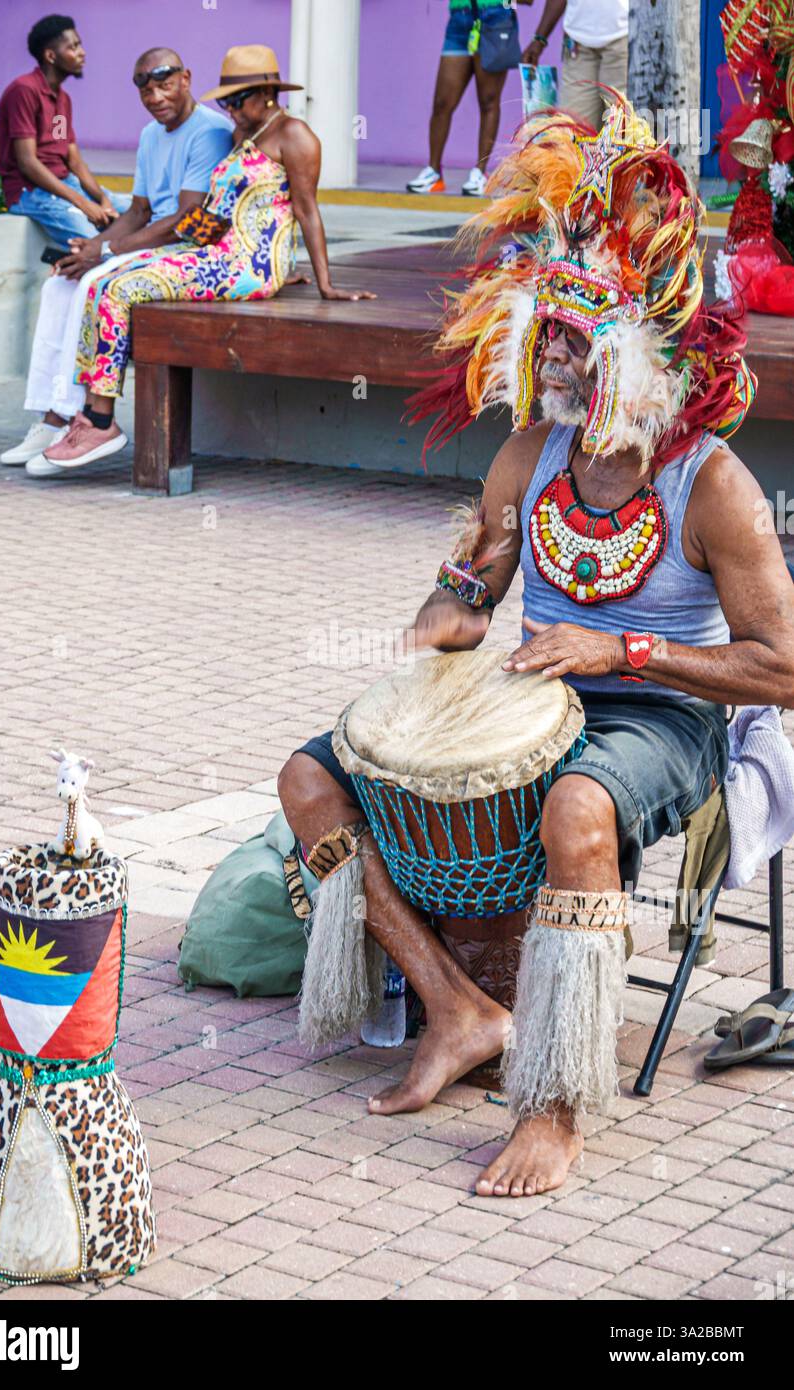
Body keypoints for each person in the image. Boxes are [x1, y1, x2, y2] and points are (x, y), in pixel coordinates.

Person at [278, 97, 794, 1199]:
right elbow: (469, 590)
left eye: (574, 338)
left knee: (574, 809)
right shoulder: (528, 453)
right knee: (311, 774)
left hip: (661, 710)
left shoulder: (713, 486)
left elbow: (783, 669)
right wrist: (440, 623)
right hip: (531, 692)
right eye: (542, 332)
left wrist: (620, 658)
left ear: (642, 351)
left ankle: (553, 1106)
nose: (549, 353)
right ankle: (458, 1007)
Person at [29, 44, 376, 475]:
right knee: (103, 279)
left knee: (119, 290)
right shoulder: (241, 136)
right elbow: (218, 214)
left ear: (268, 92)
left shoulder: (295, 135)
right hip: (217, 253)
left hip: (247, 266)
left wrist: (325, 283)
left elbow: (306, 211)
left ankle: (101, 421)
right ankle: (80, 413)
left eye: (237, 99)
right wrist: (147, 247)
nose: (230, 109)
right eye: (226, 101)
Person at [0, 48, 232, 471]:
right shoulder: (149, 135)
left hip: (184, 247)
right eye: (147, 91)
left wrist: (104, 251)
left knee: (92, 284)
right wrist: (90, 247)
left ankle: (79, 415)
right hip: (148, 237)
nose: (156, 98)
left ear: (186, 79)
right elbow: (139, 211)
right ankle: (50, 416)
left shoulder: (210, 131)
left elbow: (184, 219)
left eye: (165, 86)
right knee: (60, 283)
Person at [0, 14, 131, 247]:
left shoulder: (62, 99)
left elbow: (73, 159)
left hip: (64, 183)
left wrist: (102, 199)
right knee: (94, 243)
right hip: (29, 192)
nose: (82, 52)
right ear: (51, 55)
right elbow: (28, 163)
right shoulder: (24, 91)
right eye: (73, 46)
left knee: (136, 213)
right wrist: (83, 203)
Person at [408, 0, 530, 197]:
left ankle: (480, 173)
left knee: (488, 101)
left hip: (495, 17)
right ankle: (433, 172)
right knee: (442, 103)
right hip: (460, 18)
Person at [522, 0, 628, 131]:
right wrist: (539, 39)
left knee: (624, 133)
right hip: (578, 45)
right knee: (571, 134)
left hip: (624, 40)